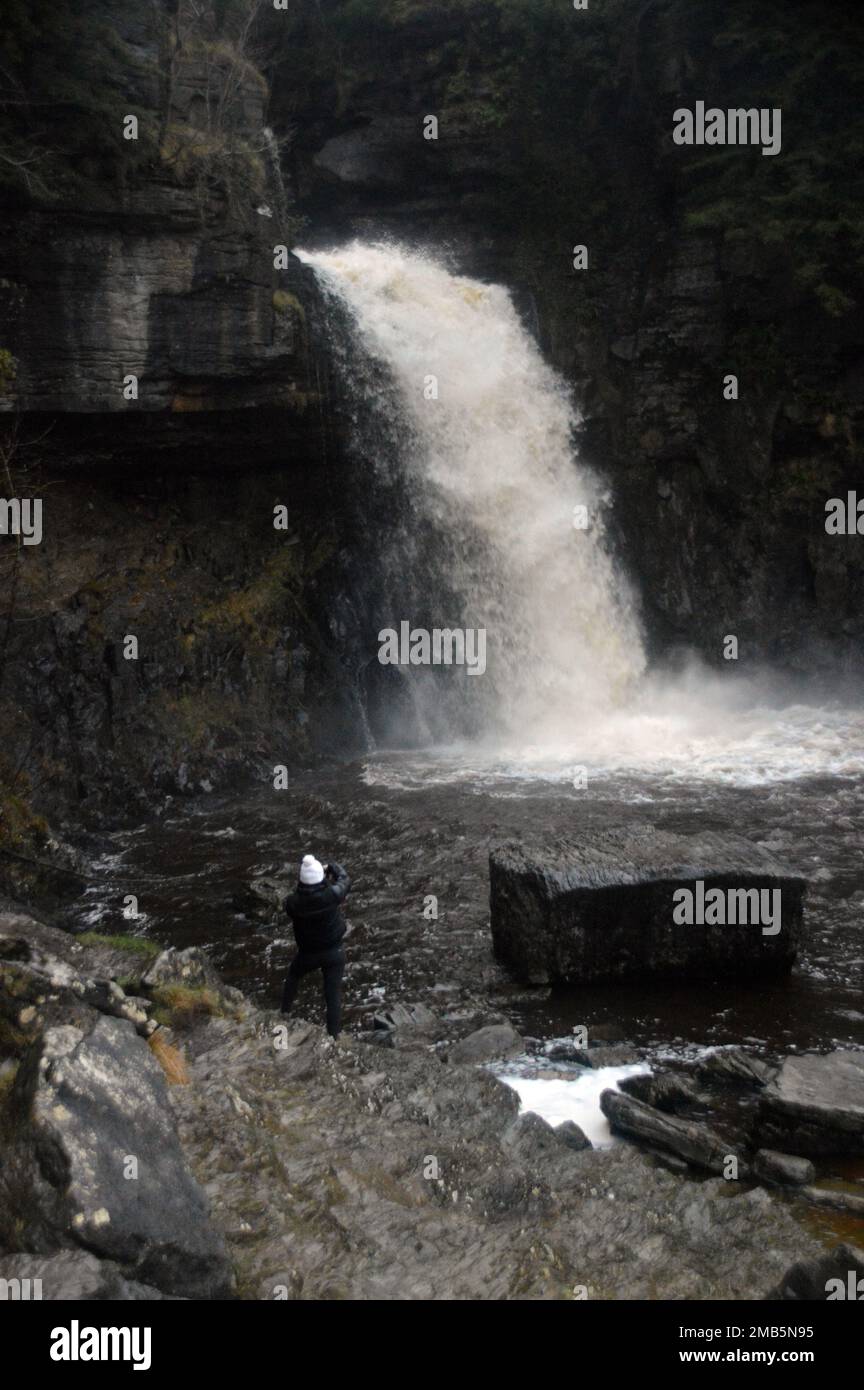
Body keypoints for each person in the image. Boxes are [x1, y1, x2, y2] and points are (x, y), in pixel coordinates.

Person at [280, 854, 351, 1038]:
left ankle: (284, 1012)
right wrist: (331, 866)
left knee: (293, 976)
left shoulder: (293, 903)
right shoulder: (333, 894)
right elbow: (345, 879)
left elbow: (291, 902)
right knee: (333, 996)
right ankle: (334, 1037)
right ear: (321, 877)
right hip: (334, 951)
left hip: (307, 953)